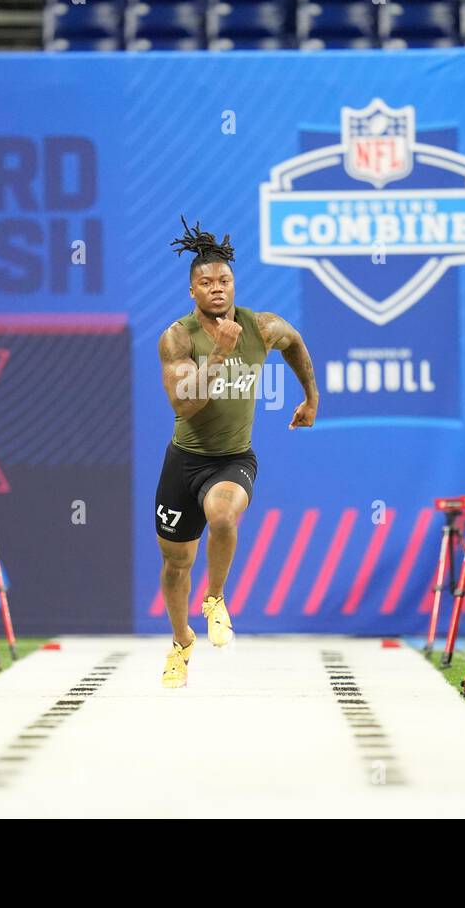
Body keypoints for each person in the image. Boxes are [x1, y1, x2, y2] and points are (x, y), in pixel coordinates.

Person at [154, 217, 320, 688]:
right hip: (184, 460)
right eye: (206, 283)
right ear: (193, 291)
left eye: (224, 281)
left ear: (234, 284)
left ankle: (215, 598)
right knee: (175, 564)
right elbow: (184, 404)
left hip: (233, 458)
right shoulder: (178, 338)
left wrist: (311, 396)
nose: (217, 289)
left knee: (223, 515)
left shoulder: (260, 326)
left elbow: (296, 344)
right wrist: (217, 359)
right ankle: (181, 642)